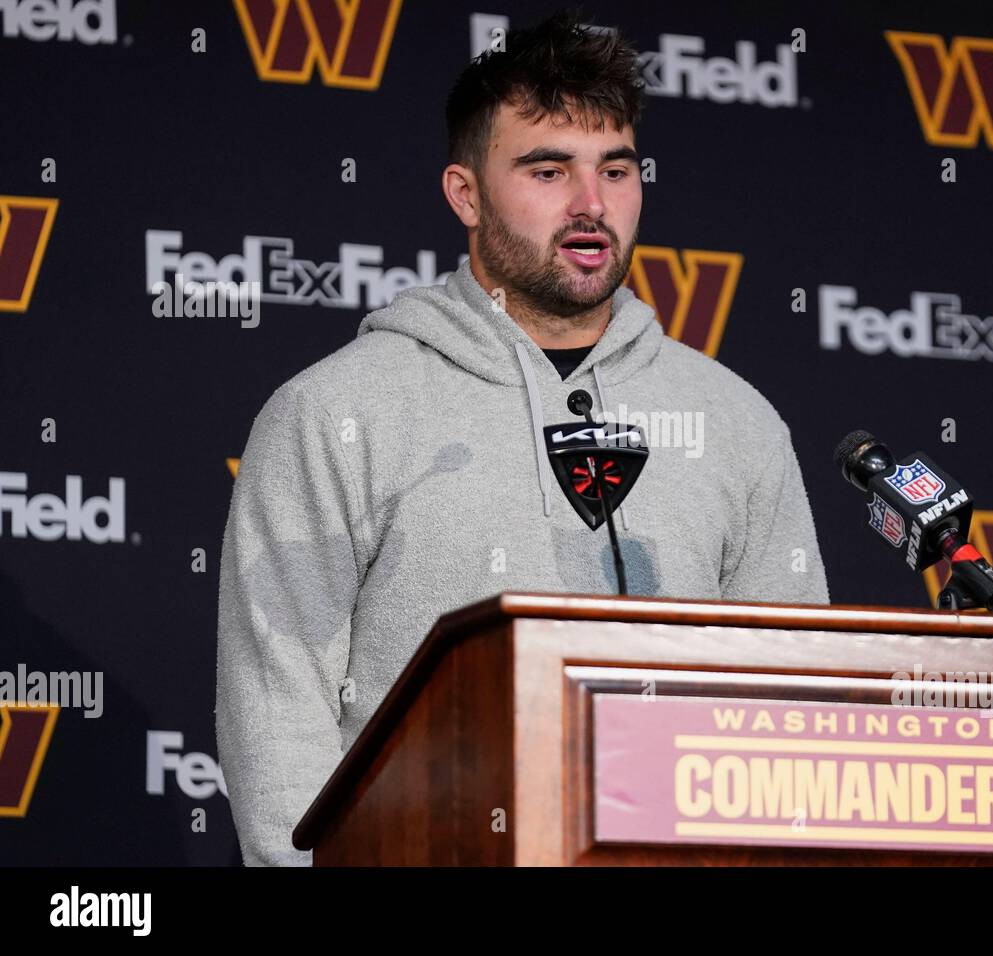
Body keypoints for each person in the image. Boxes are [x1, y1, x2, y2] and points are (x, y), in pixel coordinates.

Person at [215, 9, 828, 867]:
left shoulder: (735, 421)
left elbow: (794, 705)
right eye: (548, 169)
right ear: (465, 194)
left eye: (615, 170)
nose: (590, 204)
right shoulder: (333, 411)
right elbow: (277, 716)